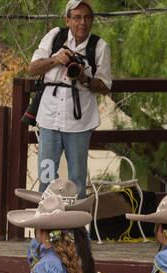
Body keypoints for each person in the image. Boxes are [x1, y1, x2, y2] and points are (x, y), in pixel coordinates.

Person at [27, 0, 112, 198]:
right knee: (46, 175)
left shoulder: (99, 46)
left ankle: (76, 228)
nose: (82, 22)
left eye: (87, 17)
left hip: (79, 123)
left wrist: (84, 77)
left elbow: (106, 87)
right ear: (67, 20)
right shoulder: (55, 37)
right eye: (77, 17)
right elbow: (32, 68)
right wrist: (56, 59)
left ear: (92, 20)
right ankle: (47, 224)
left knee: (77, 179)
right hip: (49, 119)